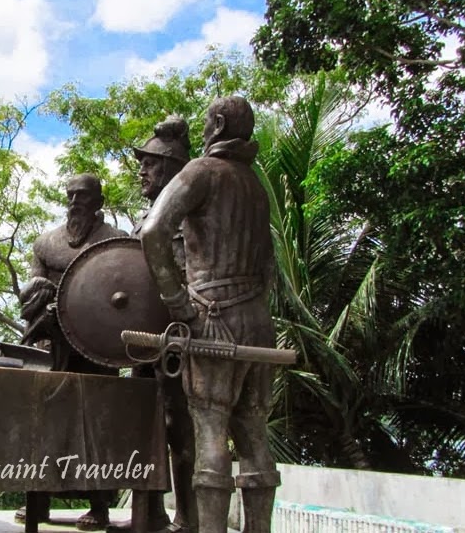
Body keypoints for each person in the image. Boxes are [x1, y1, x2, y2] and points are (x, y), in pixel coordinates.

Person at [139, 97, 280, 533]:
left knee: (211, 432)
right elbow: (270, 266)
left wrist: (181, 305)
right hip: (258, 321)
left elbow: (152, 232)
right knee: (255, 433)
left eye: (206, 123)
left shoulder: (201, 172)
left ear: (217, 124)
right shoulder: (256, 186)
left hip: (213, 316)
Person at [17, 173, 126, 531]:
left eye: (83, 195)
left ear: (98, 202)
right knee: (44, 424)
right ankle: (38, 500)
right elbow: (27, 299)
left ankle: (99, 506)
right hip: (53, 345)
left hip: (96, 346)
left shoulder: (116, 242)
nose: (75, 201)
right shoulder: (46, 243)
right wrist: (42, 293)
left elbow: (123, 294)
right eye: (71, 195)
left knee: (96, 428)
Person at [108, 115, 199, 533]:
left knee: (180, 427)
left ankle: (189, 517)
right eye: (141, 162)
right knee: (143, 424)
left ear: (171, 169)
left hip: (180, 337)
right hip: (144, 341)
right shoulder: (143, 221)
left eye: (150, 163)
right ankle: (149, 514)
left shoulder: (191, 219)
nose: (141, 171)